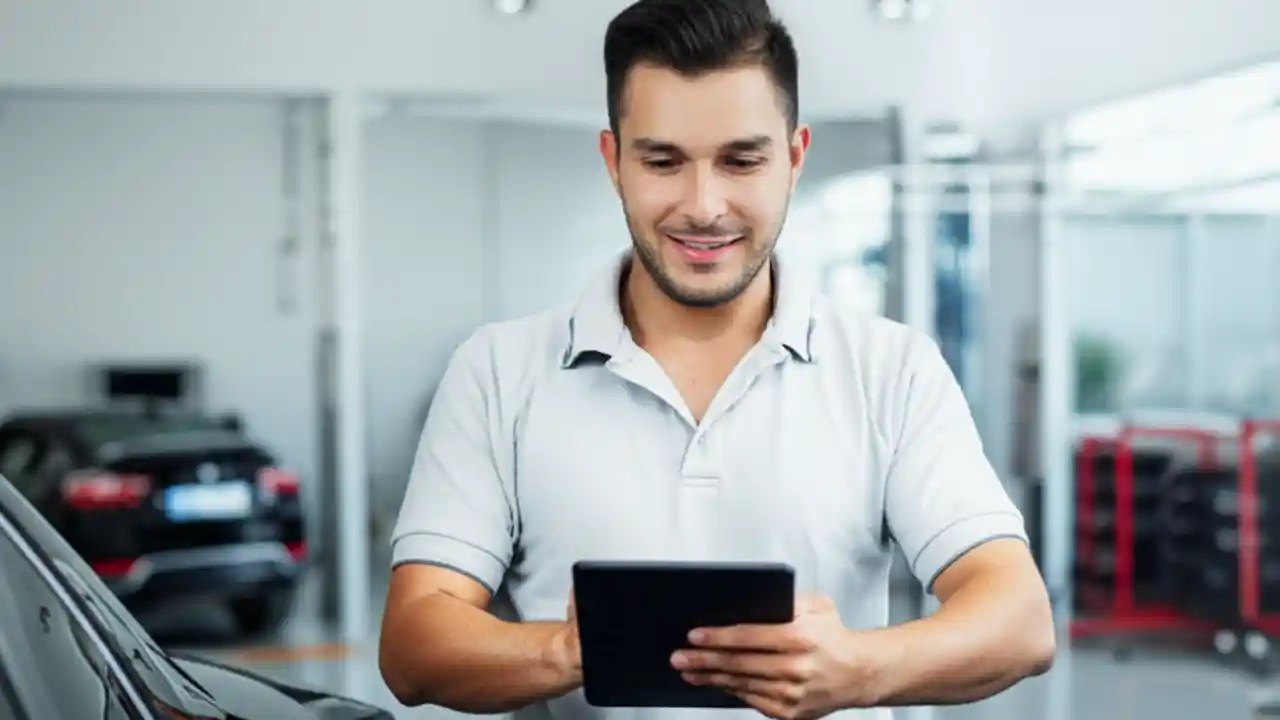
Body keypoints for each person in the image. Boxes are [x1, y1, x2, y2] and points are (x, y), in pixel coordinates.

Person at [378, 1, 1055, 718]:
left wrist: (859, 668)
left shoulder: (891, 370)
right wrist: (580, 648)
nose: (704, 206)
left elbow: (1019, 619)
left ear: (794, 157)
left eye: (741, 160)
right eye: (663, 161)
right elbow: (414, 644)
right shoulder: (496, 372)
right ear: (614, 162)